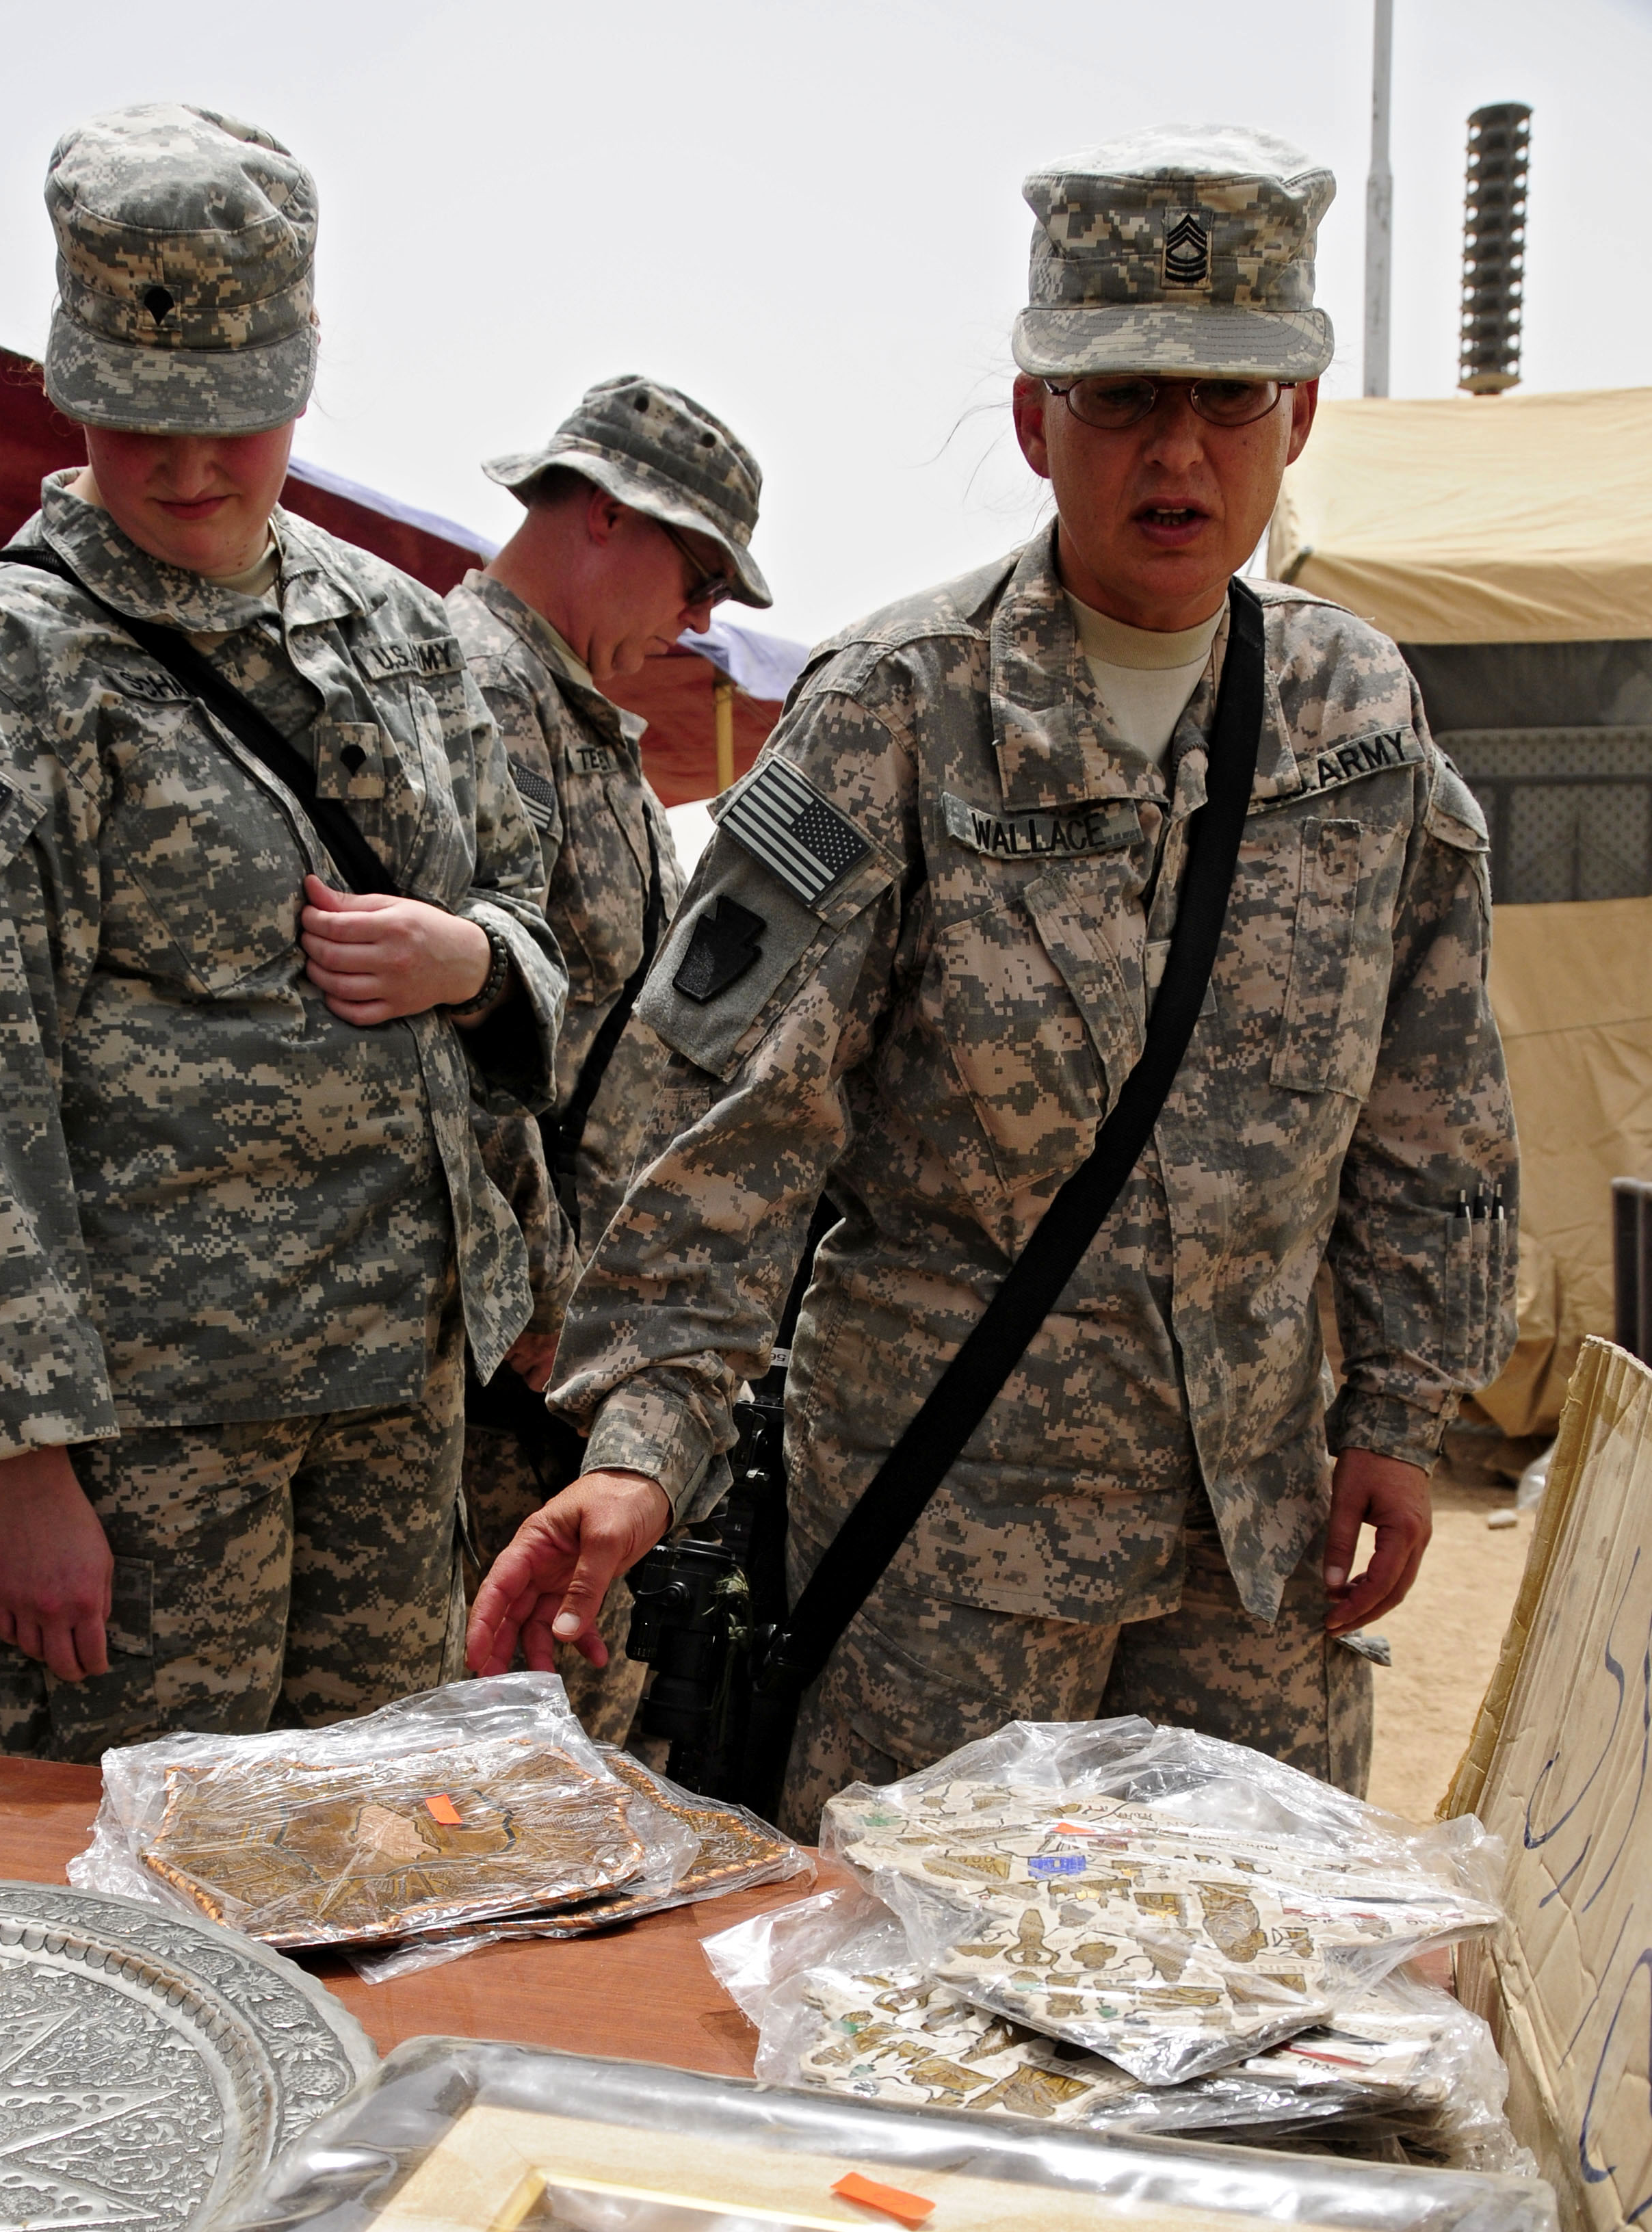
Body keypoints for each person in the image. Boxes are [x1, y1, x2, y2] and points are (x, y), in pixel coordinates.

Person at [470, 125, 1517, 1836]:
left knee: (1239, 1964)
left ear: (1298, 419)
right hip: (945, 1556)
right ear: (1035, 420)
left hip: (1251, 1549)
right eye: (1118, 397)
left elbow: (1431, 1093)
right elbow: (720, 1118)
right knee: (914, 1963)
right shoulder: (892, 709)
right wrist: (643, 1444)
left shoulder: (1357, 713)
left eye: (1227, 398)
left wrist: (1398, 1411)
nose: (1174, 449)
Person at [0, 101, 562, 1760]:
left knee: (366, 1838)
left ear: (303, 367)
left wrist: (474, 965)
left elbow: (527, 907)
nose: (187, 465)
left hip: (394, 1392)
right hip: (142, 1437)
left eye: (232, 414)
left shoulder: (397, 631)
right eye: (139, 415)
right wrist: (20, 1461)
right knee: (128, 1858)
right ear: (68, 378)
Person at [448, 377, 769, 1735]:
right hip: (515, 1364)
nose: (697, 620)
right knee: (501, 1746)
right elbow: (459, 1041)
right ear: (604, 513)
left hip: (581, 1350)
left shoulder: (574, 720)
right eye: (697, 576)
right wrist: (541, 1309)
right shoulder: (476, 698)